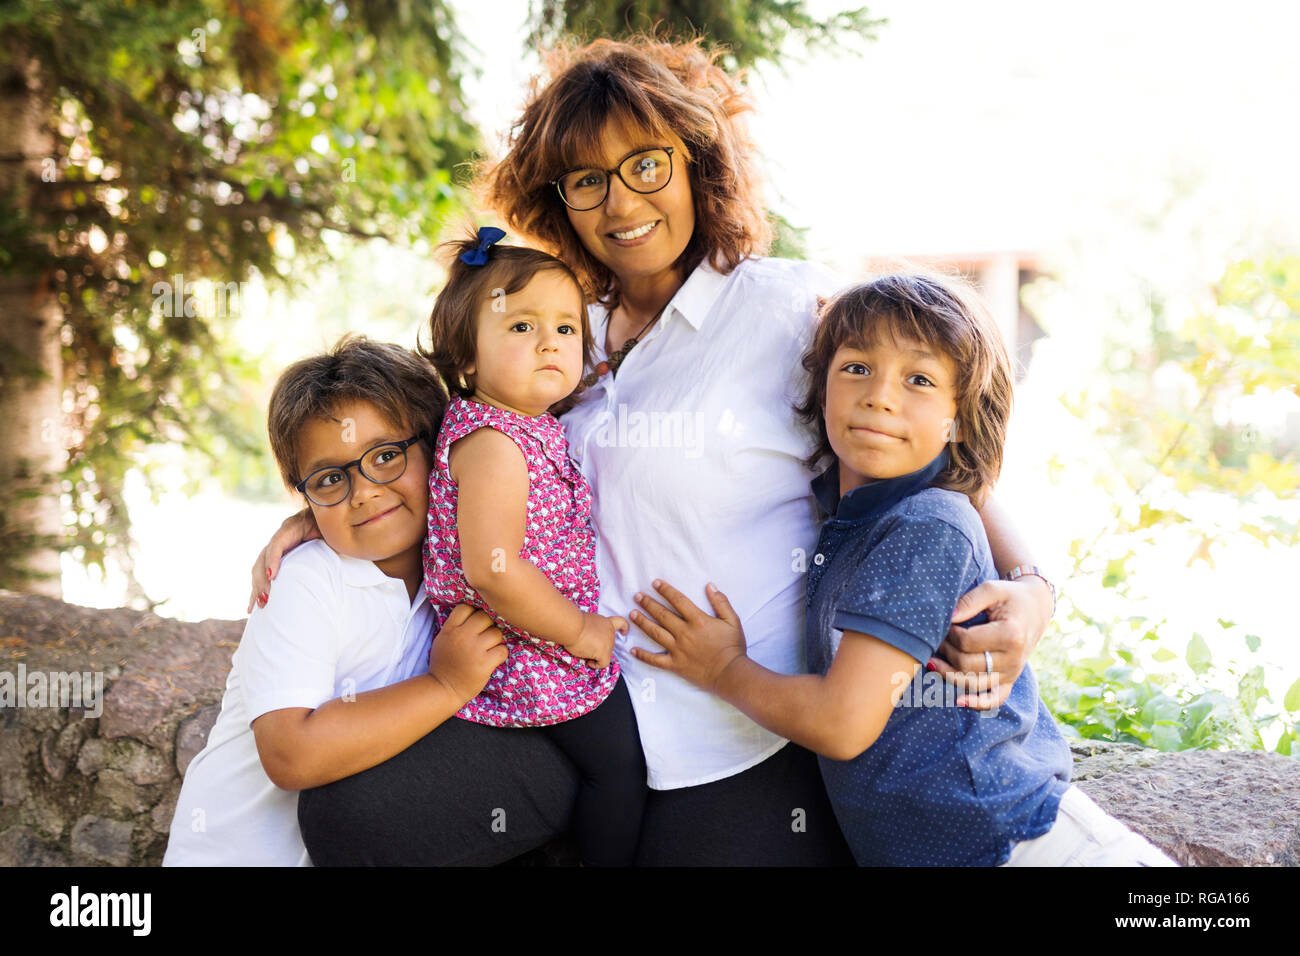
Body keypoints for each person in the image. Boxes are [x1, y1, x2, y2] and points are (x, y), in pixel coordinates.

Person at [250, 37, 1058, 866]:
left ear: (696, 164)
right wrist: (324, 512)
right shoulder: (562, 339)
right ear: (560, 201)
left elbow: (914, 439)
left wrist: (1032, 589)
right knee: (354, 816)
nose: (620, 201)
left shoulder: (782, 307)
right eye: (587, 180)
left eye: (646, 164)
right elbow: (469, 465)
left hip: (736, 727)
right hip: (578, 699)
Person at [629, 274, 1176, 866]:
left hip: (1031, 848)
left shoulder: (925, 525)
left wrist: (724, 669)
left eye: (919, 379)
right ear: (821, 387)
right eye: (857, 368)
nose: (880, 396)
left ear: (958, 417)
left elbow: (843, 721)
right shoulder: (854, 517)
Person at [164, 336, 506, 865]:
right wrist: (447, 684)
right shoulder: (306, 580)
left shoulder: (460, 572)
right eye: (330, 478)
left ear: (440, 446)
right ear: (305, 496)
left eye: (387, 456)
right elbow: (290, 754)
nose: (364, 491)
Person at [420, 228, 646, 866]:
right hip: (530, 652)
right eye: (521, 327)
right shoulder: (493, 444)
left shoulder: (529, 427)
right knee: (619, 771)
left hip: (536, 642)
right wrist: (581, 631)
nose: (550, 341)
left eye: (566, 328)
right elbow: (492, 570)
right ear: (466, 359)